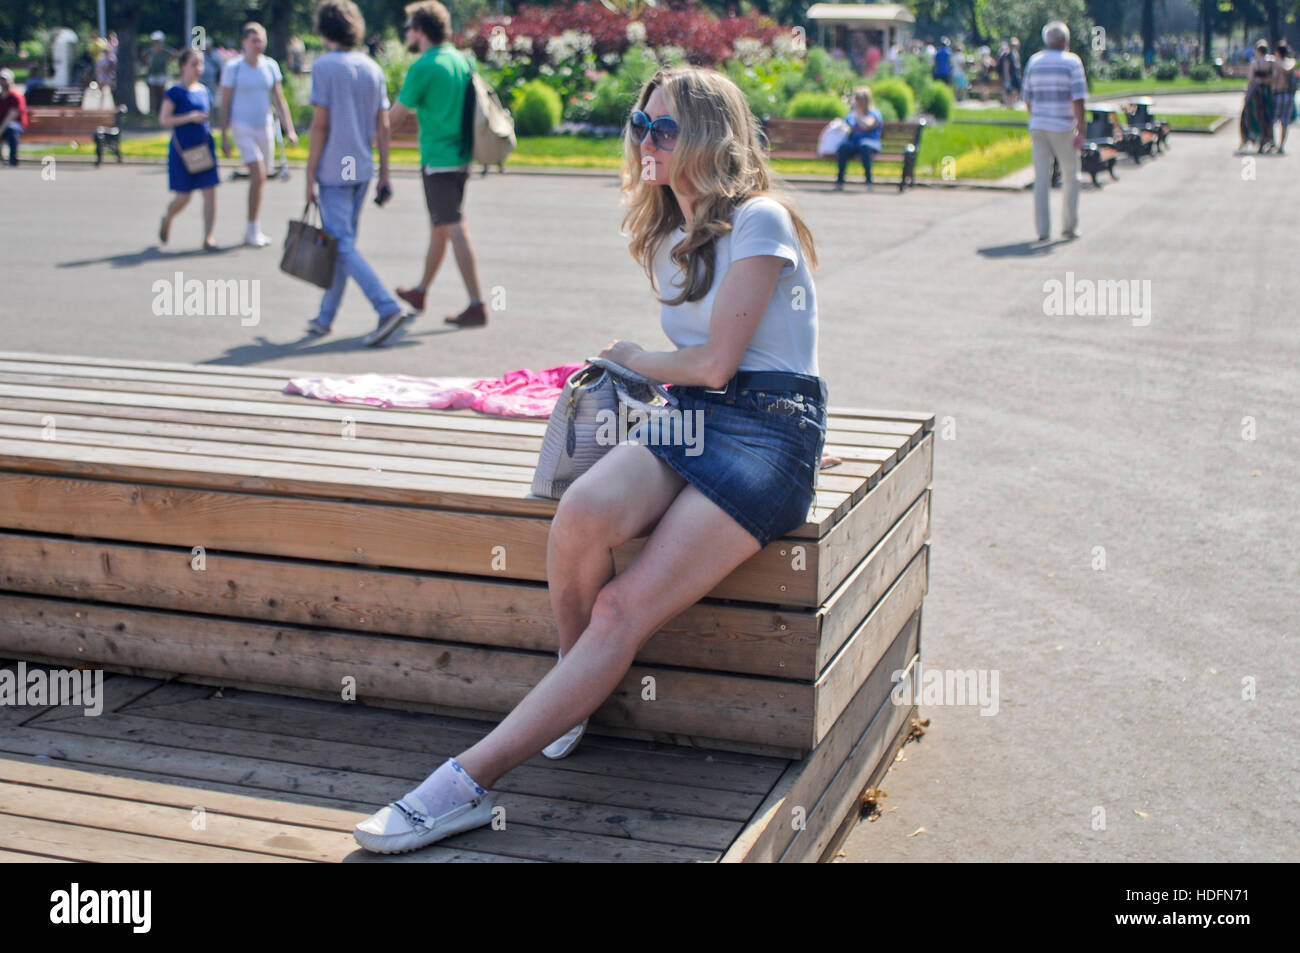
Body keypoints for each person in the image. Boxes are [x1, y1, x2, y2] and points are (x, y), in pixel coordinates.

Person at [353, 64, 829, 854]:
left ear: (708, 137)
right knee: (579, 517)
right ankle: (572, 692)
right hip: (696, 417)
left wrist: (636, 356)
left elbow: (716, 363)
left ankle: (460, 785)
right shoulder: (668, 234)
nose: (645, 140)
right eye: (640, 125)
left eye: (664, 128)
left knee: (619, 609)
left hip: (770, 432)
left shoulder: (761, 220)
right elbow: (703, 381)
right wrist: (646, 368)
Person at [304, 0, 412, 346]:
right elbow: (383, 126)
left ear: (324, 29)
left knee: (343, 245)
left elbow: (320, 125)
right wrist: (384, 173)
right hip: (361, 169)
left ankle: (386, 307)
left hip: (334, 170)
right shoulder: (371, 68)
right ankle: (325, 317)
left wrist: (308, 175)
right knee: (342, 244)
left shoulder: (324, 67)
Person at [389, 1, 488, 327]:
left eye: (408, 28)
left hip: (438, 161)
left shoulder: (424, 66)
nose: (407, 34)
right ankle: (421, 290)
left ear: (420, 30)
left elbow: (394, 118)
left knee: (454, 227)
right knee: (440, 227)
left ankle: (476, 304)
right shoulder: (461, 60)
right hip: (461, 157)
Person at [219, 22, 298, 247]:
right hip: (242, 126)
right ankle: (252, 229)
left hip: (264, 126)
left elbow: (279, 100)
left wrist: (289, 129)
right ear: (244, 42)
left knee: (261, 178)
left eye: (261, 40)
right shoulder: (233, 68)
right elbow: (225, 104)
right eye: (254, 40)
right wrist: (224, 135)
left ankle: (253, 226)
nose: (258, 45)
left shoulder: (270, 66)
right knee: (258, 175)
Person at [1022, 21, 1087, 241]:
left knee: (1041, 178)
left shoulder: (1034, 61)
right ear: (1064, 41)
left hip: (1039, 125)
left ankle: (1042, 230)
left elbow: (1027, 98)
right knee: (1070, 176)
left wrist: (1037, 117)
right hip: (1063, 126)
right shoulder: (1072, 62)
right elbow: (1078, 100)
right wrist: (1082, 130)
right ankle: (1068, 226)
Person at [158, 48, 219, 250]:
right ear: (183, 66)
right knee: (184, 196)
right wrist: (190, 117)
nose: (198, 68)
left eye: (201, 64)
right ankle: (167, 218)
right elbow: (164, 120)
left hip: (203, 148)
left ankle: (208, 236)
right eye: (194, 64)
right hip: (183, 149)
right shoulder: (174, 92)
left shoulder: (204, 91)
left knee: (209, 192)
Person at [834, 86, 883, 191]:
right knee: (843, 147)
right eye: (856, 98)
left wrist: (858, 113)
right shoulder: (851, 115)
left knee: (864, 146)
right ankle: (840, 181)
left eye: (859, 99)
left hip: (870, 143)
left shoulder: (874, 114)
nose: (857, 101)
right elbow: (846, 128)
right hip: (855, 143)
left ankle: (869, 181)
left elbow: (867, 126)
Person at [1239, 40, 1275, 153]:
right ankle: (1268, 138)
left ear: (1258, 51)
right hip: (1268, 91)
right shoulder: (1271, 62)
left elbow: (1251, 79)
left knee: (1251, 115)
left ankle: (1252, 137)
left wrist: (1247, 93)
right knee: (1268, 116)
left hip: (1256, 92)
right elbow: (1274, 78)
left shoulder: (1255, 63)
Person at [1271, 41, 1296, 155]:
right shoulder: (1290, 63)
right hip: (1288, 95)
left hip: (1279, 94)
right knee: (1284, 122)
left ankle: (1274, 143)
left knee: (1274, 119)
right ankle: (1280, 145)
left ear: (1278, 52)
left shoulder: (1277, 63)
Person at [0, 70, 27, 167]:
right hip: (2, 126)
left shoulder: (16, 96)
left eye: (5, 80)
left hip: (16, 125)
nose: (3, 82)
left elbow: (11, 116)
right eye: (1, 79)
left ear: (11, 81)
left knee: (11, 128)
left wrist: (1, 130)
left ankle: (13, 159)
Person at [145, 32, 171, 115]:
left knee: (162, 93)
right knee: (152, 93)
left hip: (162, 74)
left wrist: (168, 62)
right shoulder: (150, 50)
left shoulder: (165, 50)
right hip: (152, 73)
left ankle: (161, 109)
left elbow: (174, 54)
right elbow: (143, 55)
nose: (156, 43)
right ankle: (153, 110)